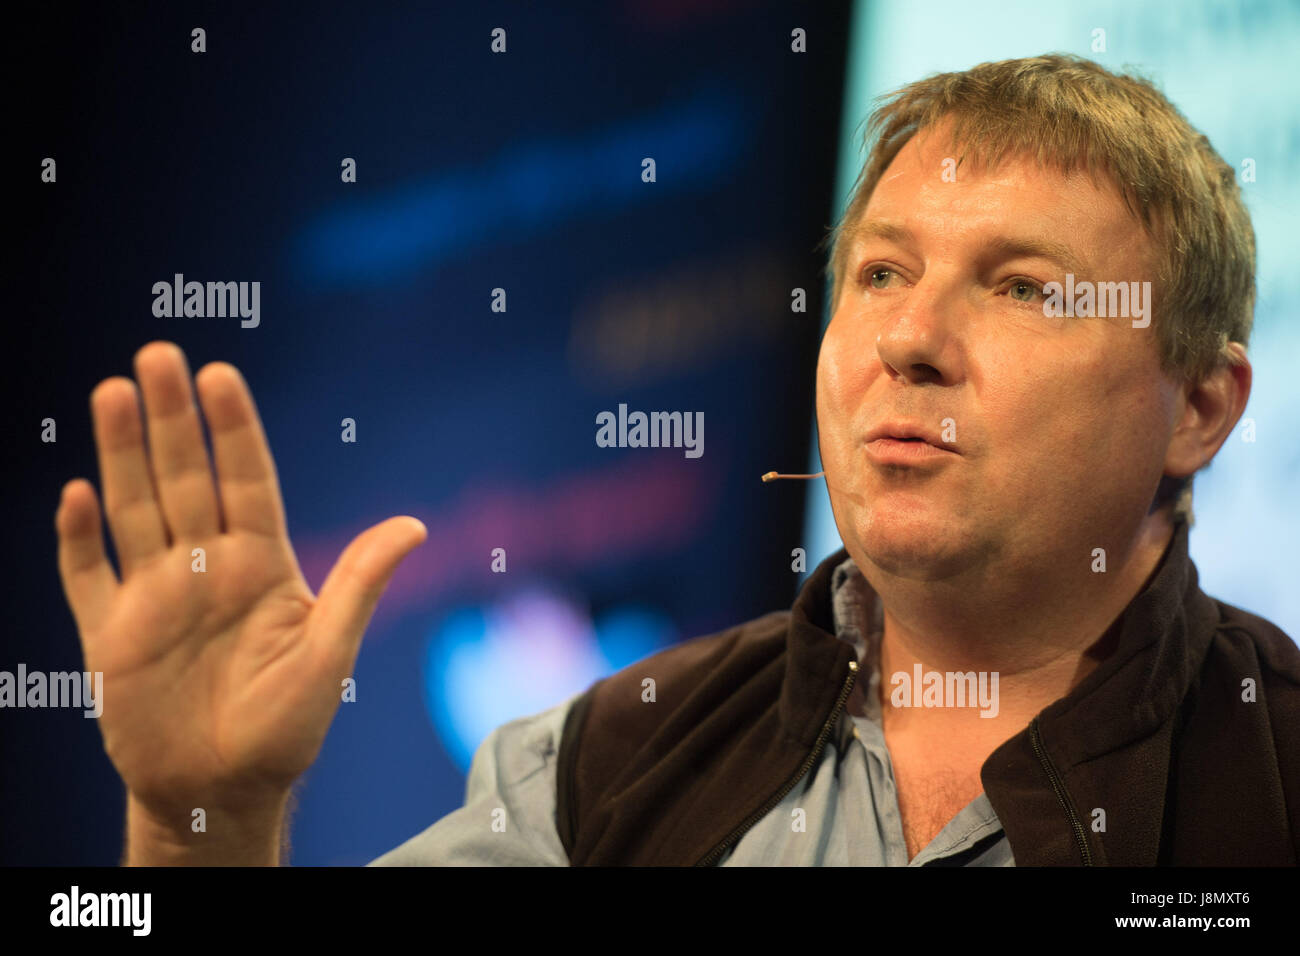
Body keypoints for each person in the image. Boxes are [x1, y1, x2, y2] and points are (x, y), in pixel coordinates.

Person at [56, 54, 1298, 867]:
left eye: (1022, 287)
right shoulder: (599, 763)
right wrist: (194, 821)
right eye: (879, 273)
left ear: (1198, 404)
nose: (908, 340)